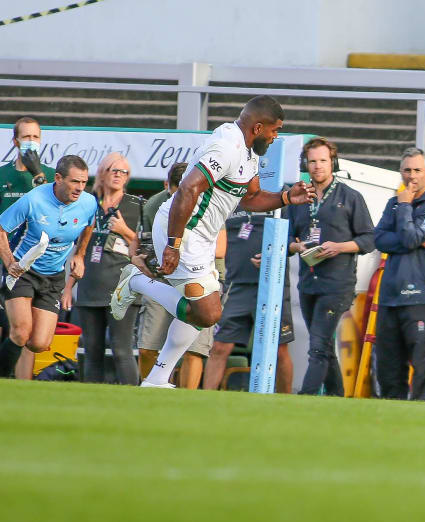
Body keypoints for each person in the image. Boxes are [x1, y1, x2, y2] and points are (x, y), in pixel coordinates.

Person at [110, 96, 315, 388]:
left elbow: (252, 198)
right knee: (208, 313)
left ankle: (156, 378)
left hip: (202, 238)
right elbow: (188, 188)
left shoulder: (249, 152)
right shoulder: (226, 147)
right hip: (184, 231)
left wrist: (285, 197)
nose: (276, 136)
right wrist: (174, 244)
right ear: (258, 127)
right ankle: (136, 281)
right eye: (275, 130)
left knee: (198, 313)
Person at [287, 137, 374, 396]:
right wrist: (297, 247)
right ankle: (338, 398)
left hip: (338, 284)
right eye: (312, 161)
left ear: (332, 162)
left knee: (317, 346)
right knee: (323, 346)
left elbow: (369, 239)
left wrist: (339, 246)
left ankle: (305, 398)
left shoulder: (350, 197)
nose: (317, 167)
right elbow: (287, 236)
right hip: (308, 282)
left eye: (323, 161)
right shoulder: (299, 195)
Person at [0, 155, 97, 378]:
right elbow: (1, 229)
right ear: (58, 178)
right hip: (23, 269)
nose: (79, 188)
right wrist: (9, 262)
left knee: (38, 343)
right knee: (21, 333)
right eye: (74, 182)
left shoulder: (88, 202)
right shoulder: (33, 200)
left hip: (53, 276)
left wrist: (80, 255)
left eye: (83, 182)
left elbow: (89, 224)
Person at [373, 147, 425, 401]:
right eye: (407, 170)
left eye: (417, 170)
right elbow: (379, 239)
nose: (412, 176)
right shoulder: (392, 203)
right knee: (388, 368)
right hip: (390, 296)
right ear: (400, 172)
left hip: (421, 297)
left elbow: (409, 236)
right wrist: (412, 239)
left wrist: (405, 213)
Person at [137, 162, 216, 387]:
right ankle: (153, 385)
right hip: (164, 276)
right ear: (167, 187)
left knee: (194, 350)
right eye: (176, 191)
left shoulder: (210, 201)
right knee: (148, 347)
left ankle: (181, 397)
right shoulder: (155, 204)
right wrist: (143, 257)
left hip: (198, 275)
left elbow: (220, 247)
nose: (181, 198)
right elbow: (141, 241)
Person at [203, 207, 295, 393]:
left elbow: (294, 238)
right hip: (237, 286)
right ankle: (207, 398)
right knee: (220, 346)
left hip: (272, 285)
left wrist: (274, 255)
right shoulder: (231, 197)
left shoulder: (280, 195)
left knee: (279, 349)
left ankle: (287, 400)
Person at [73, 153, 142, 384]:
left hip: (122, 286)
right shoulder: (87, 203)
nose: (118, 175)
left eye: (123, 172)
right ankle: (91, 405)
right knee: (91, 350)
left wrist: (124, 230)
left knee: (121, 349)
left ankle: (133, 404)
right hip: (90, 284)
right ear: (102, 172)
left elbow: (146, 248)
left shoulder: (136, 205)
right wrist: (68, 287)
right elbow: (76, 248)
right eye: (113, 169)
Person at [0, 117, 56, 378]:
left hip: (36, 264)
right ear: (15, 141)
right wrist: (7, 259)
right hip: (5, 259)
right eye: (26, 137)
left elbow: (56, 214)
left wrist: (39, 175)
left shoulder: (50, 175)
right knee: (10, 327)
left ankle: (22, 384)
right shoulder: (3, 175)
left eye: (36, 137)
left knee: (29, 332)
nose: (32, 142)